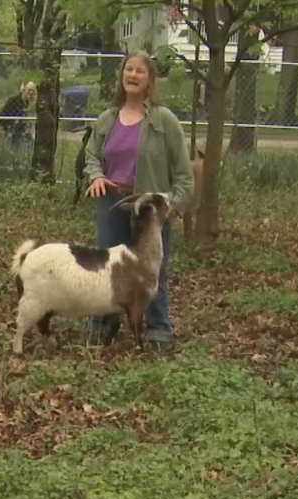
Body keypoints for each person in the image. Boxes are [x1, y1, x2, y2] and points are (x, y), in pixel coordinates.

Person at [80, 51, 193, 354]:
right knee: (107, 267)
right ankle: (105, 322)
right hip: (111, 203)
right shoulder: (107, 118)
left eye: (139, 71)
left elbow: (184, 174)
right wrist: (95, 176)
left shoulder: (164, 120)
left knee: (152, 271)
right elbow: (91, 155)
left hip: (149, 209)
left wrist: (173, 207)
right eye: (128, 69)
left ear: (150, 80)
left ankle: (158, 329)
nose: (132, 75)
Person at [0, 81, 37, 147]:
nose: (31, 93)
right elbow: (2, 115)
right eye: (29, 90)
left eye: (33, 91)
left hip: (22, 132)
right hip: (10, 130)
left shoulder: (28, 105)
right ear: (23, 90)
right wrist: (3, 129)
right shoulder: (13, 101)